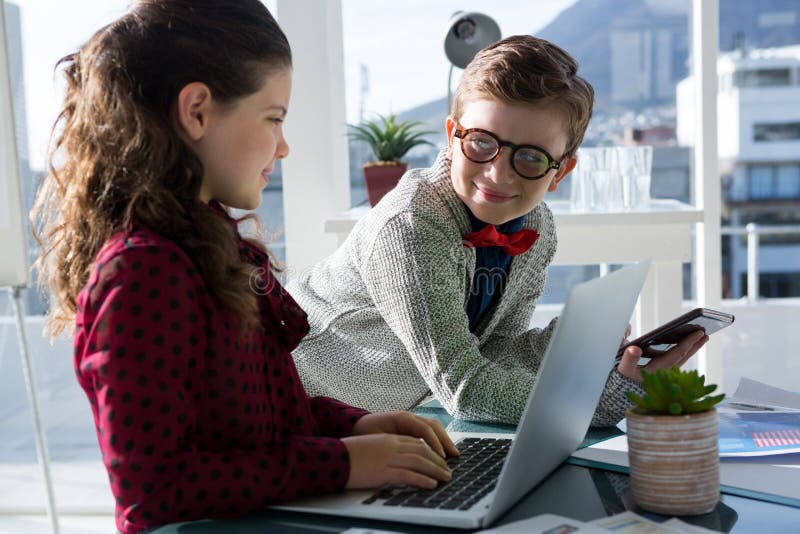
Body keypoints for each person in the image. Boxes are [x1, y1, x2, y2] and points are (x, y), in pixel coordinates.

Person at [31, 2, 457, 532]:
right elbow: (153, 489)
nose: (284, 146)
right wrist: (344, 463)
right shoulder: (141, 273)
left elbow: (262, 419)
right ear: (197, 111)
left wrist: (355, 426)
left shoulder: (208, 245)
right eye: (274, 118)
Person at [288, 35, 709, 426]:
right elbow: (465, 387)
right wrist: (592, 404)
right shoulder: (412, 223)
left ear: (561, 172)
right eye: (481, 142)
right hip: (289, 407)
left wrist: (571, 344)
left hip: (365, 421)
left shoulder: (537, 227)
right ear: (452, 137)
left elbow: (495, 352)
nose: (497, 173)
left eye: (530, 158)